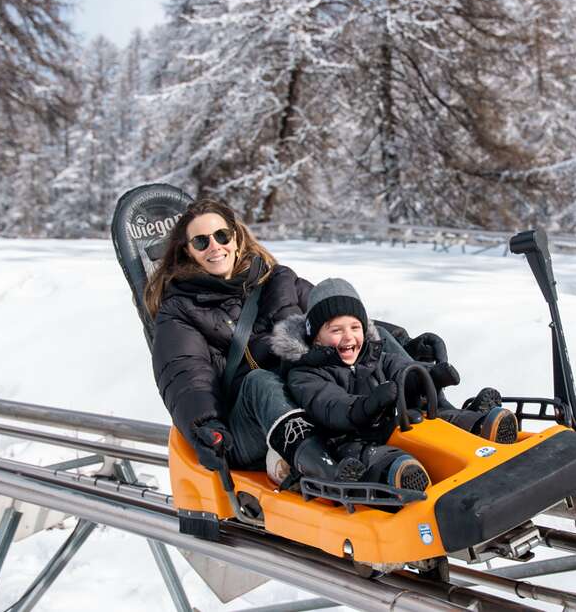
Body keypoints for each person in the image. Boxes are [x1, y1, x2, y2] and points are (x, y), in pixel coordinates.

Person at [145, 199, 367, 483]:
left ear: (236, 238)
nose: (215, 247)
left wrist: (402, 342)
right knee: (259, 382)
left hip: (308, 397)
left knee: (367, 339)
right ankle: (324, 469)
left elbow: (338, 318)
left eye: (221, 236)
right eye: (201, 242)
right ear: (188, 252)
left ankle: (431, 425)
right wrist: (207, 426)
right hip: (244, 428)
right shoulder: (180, 310)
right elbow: (186, 375)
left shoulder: (278, 280)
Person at [271, 278, 518, 490]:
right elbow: (329, 405)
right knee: (380, 457)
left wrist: (431, 377)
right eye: (336, 330)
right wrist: (367, 405)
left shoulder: (375, 355)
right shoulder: (305, 372)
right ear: (315, 337)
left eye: (355, 327)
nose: (349, 337)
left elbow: (402, 372)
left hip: (396, 424)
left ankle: (480, 426)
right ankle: (401, 474)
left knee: (435, 420)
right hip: (348, 439)